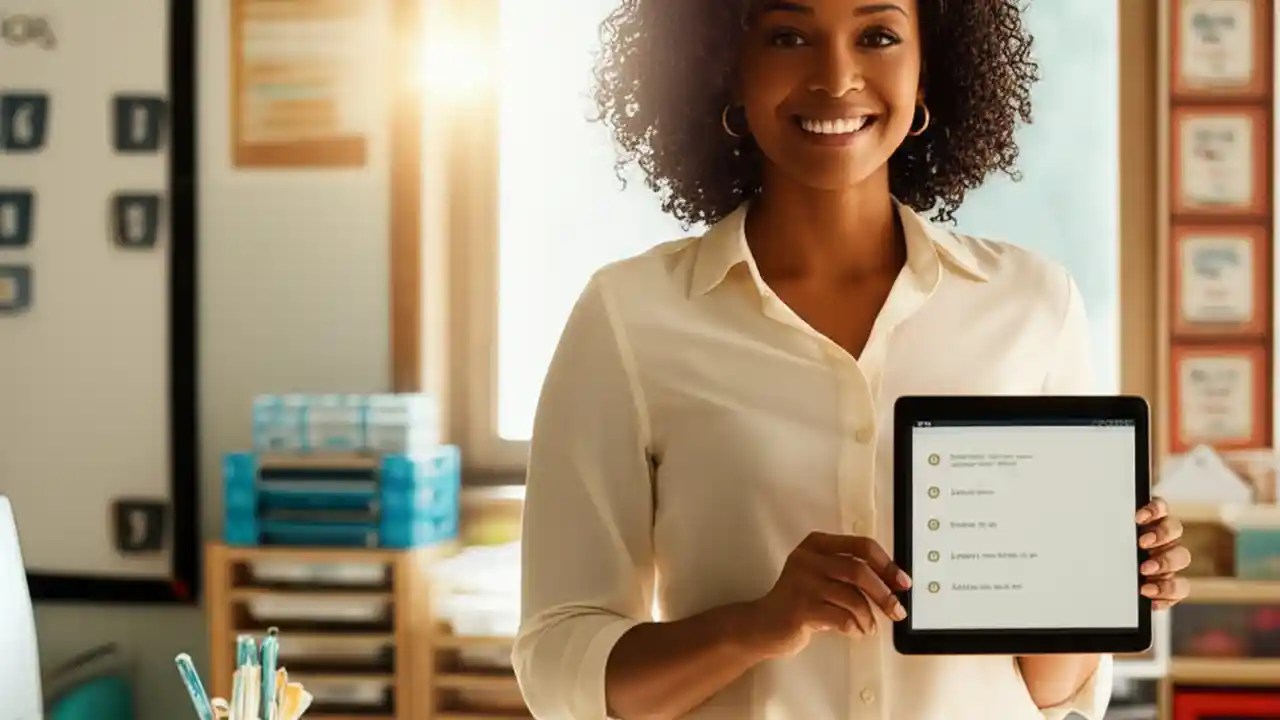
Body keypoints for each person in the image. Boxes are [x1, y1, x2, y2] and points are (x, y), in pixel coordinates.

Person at [512, 1, 1191, 718]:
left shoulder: (1032, 304)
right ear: (725, 66)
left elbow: (1053, 694)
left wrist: (1106, 577)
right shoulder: (629, 316)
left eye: (878, 36)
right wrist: (759, 625)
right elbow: (563, 669)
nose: (836, 78)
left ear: (928, 69)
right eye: (788, 36)